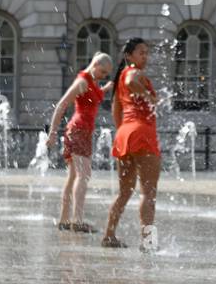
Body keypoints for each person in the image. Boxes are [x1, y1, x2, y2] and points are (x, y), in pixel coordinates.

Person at [102, 38, 160, 251]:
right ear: (129, 56)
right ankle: (148, 242)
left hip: (125, 134)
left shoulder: (119, 80)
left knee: (125, 192)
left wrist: (124, 133)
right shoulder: (134, 73)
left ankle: (109, 235)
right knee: (148, 192)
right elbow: (132, 82)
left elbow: (116, 111)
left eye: (147, 52)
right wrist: (147, 95)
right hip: (142, 134)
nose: (145, 56)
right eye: (141, 52)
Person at [46, 52, 113, 233]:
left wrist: (105, 88)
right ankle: (77, 220)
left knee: (74, 176)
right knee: (84, 175)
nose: (104, 76)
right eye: (104, 72)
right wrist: (52, 132)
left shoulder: (92, 82)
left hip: (81, 131)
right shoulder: (82, 81)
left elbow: (94, 96)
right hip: (79, 129)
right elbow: (62, 104)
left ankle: (64, 219)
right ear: (96, 65)